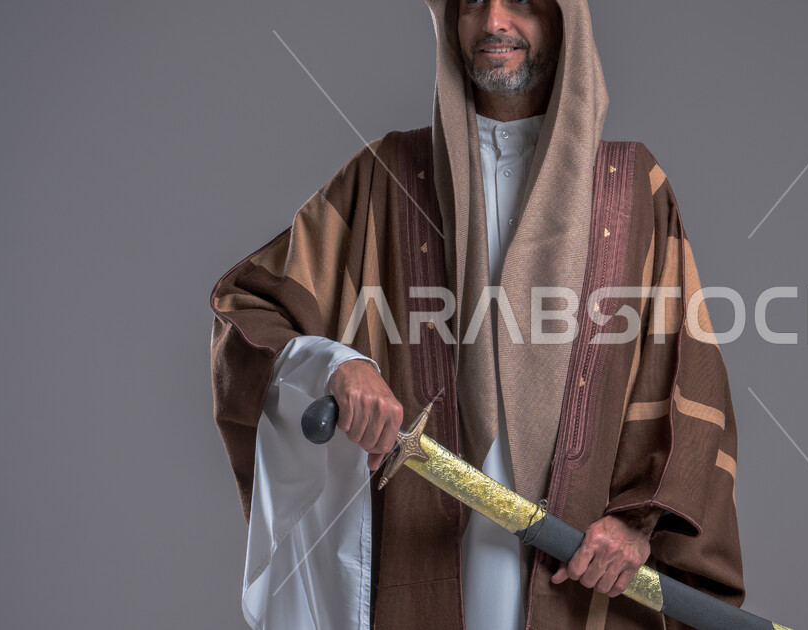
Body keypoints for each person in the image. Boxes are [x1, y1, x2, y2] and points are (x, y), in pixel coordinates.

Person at [210, 1, 744, 628]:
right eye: (473, 4)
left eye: (520, 1)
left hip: (581, 582)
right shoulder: (386, 176)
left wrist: (636, 524)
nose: (494, 22)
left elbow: (687, 383)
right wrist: (336, 365)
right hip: (415, 570)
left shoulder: (633, 187)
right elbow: (247, 307)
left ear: (563, 17)